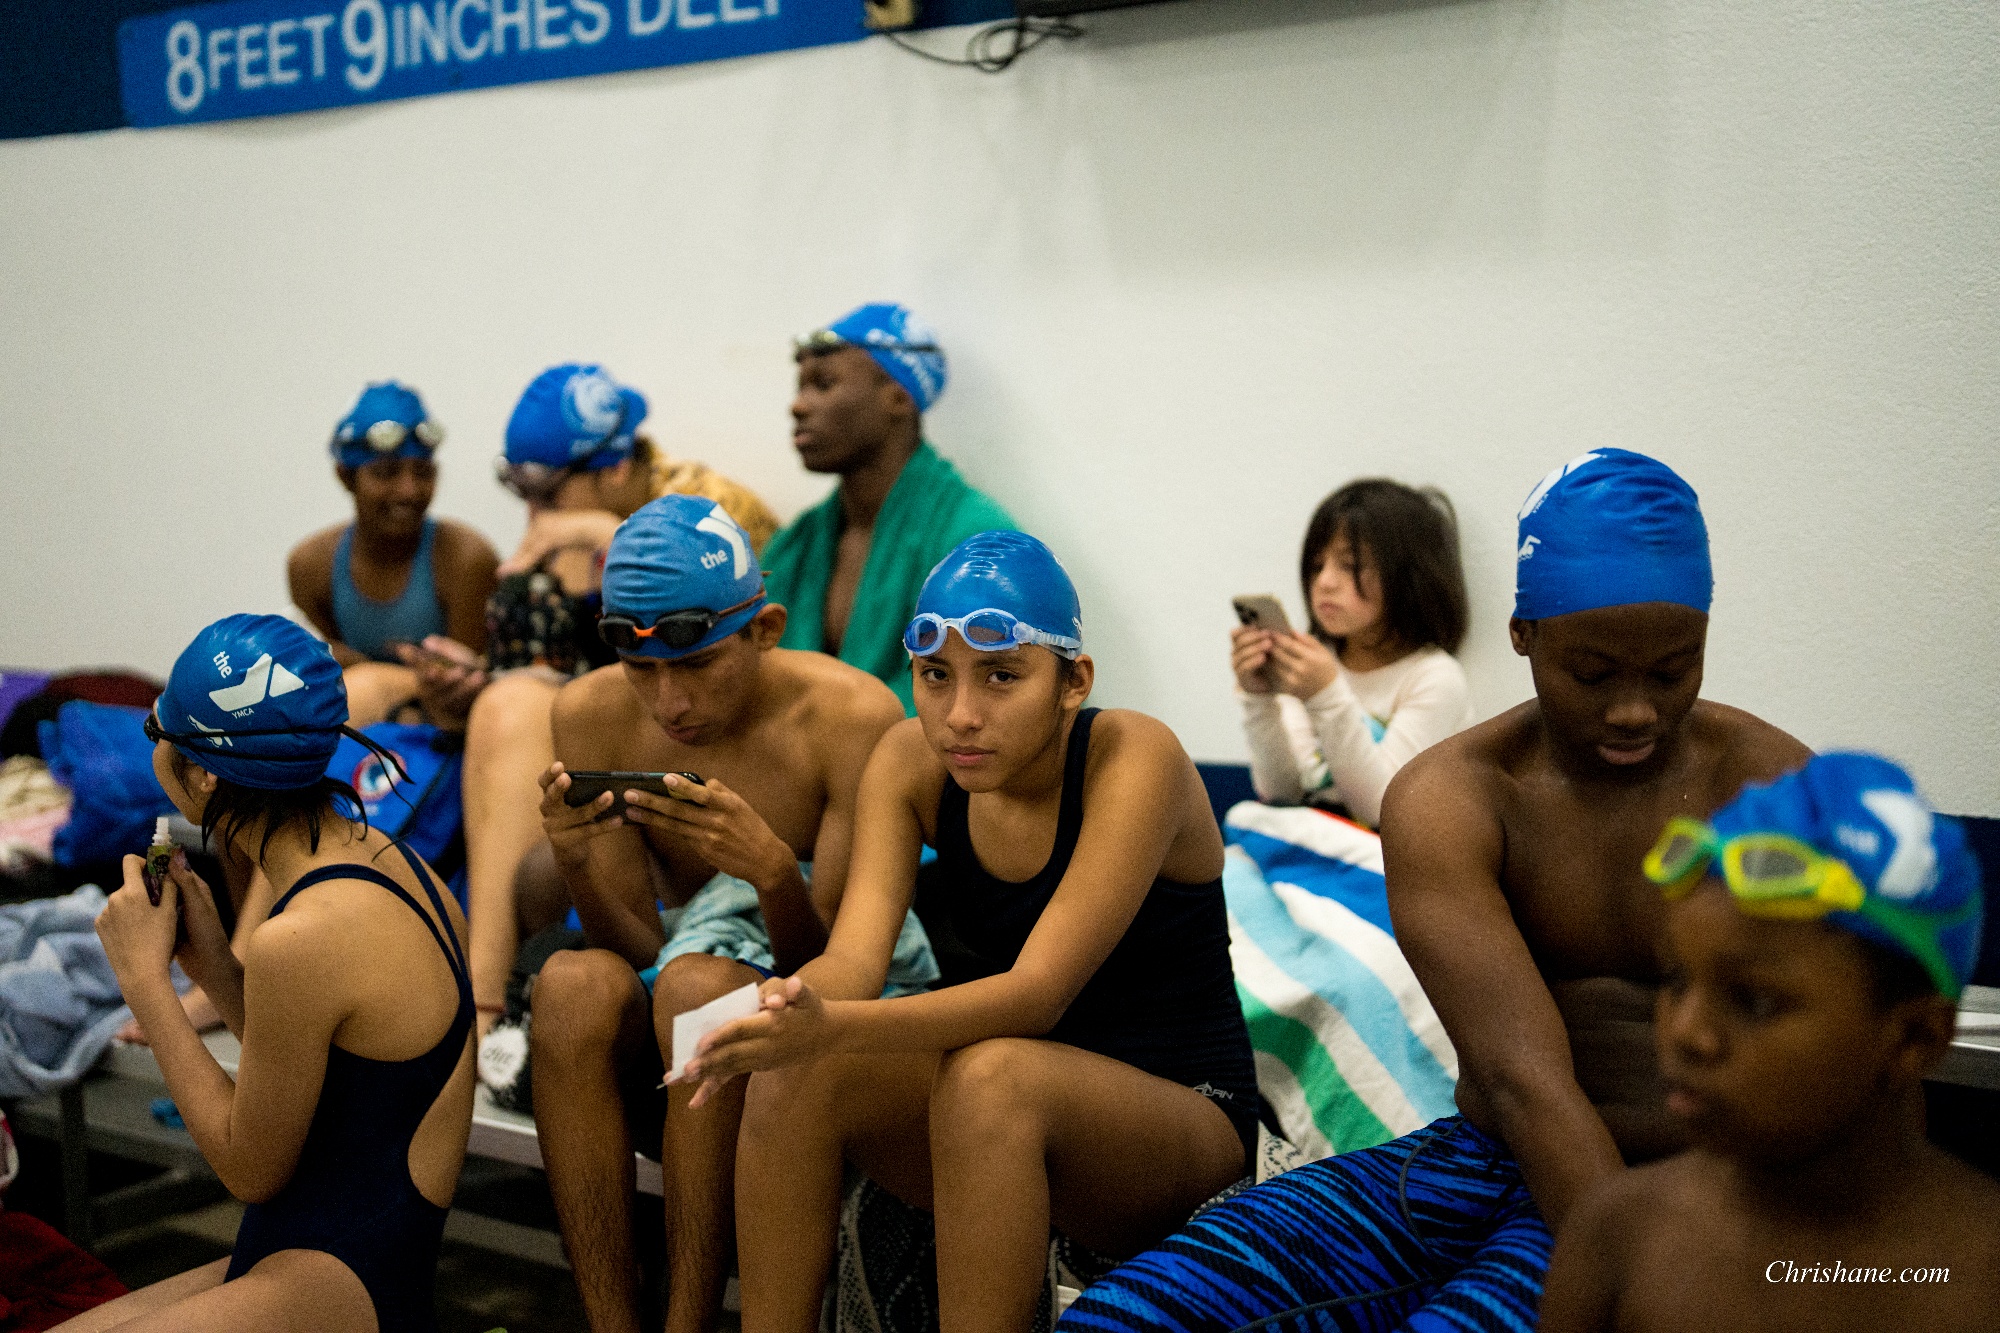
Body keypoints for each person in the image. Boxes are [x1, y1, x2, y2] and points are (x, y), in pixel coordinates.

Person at [1061, 449, 1814, 1332]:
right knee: (1128, 1314)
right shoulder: (1456, 798)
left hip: (1692, 1179)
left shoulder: (1772, 790)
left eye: (1672, 669)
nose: (1634, 709)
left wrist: (1658, 1274)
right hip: (1485, 1155)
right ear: (1524, 635)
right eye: (1594, 673)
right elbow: (1521, 1079)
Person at [684, 531, 1260, 1333]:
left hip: (1179, 1119)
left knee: (990, 1076)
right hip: (1007, 1099)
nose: (960, 715)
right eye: (935, 676)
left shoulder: (1134, 757)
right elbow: (854, 959)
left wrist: (831, 1024)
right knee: (800, 1068)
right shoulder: (908, 761)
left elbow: (1036, 994)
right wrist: (782, 1013)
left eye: (1001, 676)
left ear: (1073, 682)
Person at [525, 495, 931, 1333]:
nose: (669, 701)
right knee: (569, 984)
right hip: (679, 1014)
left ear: (765, 628)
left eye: (697, 663)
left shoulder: (850, 717)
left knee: (696, 989)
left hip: (813, 1013)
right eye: (642, 669)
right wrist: (576, 861)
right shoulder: (590, 712)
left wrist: (774, 873)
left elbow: (838, 967)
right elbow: (631, 949)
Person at [66, 615, 473, 1333]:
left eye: (158, 730)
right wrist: (217, 967)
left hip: (340, 1277)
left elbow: (248, 1169)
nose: (152, 746)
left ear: (203, 773)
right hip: (342, 1253)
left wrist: (145, 983)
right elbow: (334, 1076)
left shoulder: (301, 936)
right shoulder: (393, 861)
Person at [1539, 752, 1998, 1332]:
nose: (1686, 1033)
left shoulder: (1982, 1276)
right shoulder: (1618, 1238)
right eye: (1676, 982)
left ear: (1913, 1038)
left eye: (1754, 1001)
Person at [412, 364, 779, 1040]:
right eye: (518, 489)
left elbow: (736, 647)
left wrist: (606, 534)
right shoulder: (553, 540)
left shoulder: (713, 508)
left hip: (701, 747)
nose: (534, 511)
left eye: (548, 490)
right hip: (605, 733)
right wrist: (468, 682)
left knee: (514, 707)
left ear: (613, 471)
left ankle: (483, 1000)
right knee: (421, 698)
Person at [762, 302, 1016, 713]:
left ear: (898, 398)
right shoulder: (795, 545)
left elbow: (987, 699)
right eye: (800, 387)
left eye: (823, 385)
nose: (798, 406)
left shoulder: (976, 542)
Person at [1233, 478, 1473, 826]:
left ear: (1407, 577)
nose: (1324, 582)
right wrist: (1259, 699)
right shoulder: (1314, 660)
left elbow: (1382, 810)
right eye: (1317, 566)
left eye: (1349, 566)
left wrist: (1325, 696)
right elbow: (1282, 793)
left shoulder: (1434, 677)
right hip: (1316, 841)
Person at [287, 381, 499, 728]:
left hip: (445, 735)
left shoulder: (465, 559)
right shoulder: (312, 566)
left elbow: (462, 696)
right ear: (345, 476)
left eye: (423, 472)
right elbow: (324, 686)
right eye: (386, 473)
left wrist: (368, 674)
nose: (408, 491)